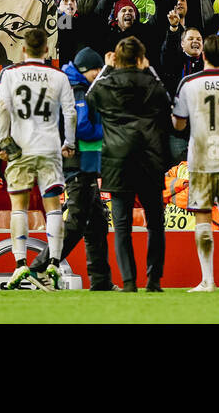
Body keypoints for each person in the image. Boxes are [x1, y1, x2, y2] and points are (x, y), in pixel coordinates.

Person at [86, 36, 171, 292]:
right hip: (149, 159)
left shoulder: (106, 83)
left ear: (117, 58)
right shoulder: (151, 82)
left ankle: (129, 282)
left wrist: (106, 68)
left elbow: (89, 101)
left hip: (117, 161)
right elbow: (169, 105)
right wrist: (150, 70)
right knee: (155, 223)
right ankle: (154, 281)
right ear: (141, 58)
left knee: (122, 225)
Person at [0, 27, 77, 291]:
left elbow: (3, 108)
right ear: (46, 50)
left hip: (20, 147)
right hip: (49, 148)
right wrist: (70, 143)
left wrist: (1, 141)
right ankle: (53, 262)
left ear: (23, 49)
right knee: (52, 206)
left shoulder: (9, 74)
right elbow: (71, 113)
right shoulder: (58, 75)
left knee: (19, 205)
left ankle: (20, 265)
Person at [172, 33, 219, 291]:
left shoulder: (188, 83)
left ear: (203, 55)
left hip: (200, 159)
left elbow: (179, 123)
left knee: (203, 216)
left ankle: (208, 280)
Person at [30, 47, 113, 290]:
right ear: (87, 69)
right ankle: (39, 267)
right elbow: (82, 129)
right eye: (96, 70)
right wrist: (108, 130)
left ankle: (101, 282)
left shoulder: (74, 87)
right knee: (78, 221)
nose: (97, 74)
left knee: (97, 223)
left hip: (82, 163)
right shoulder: (76, 91)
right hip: (76, 165)